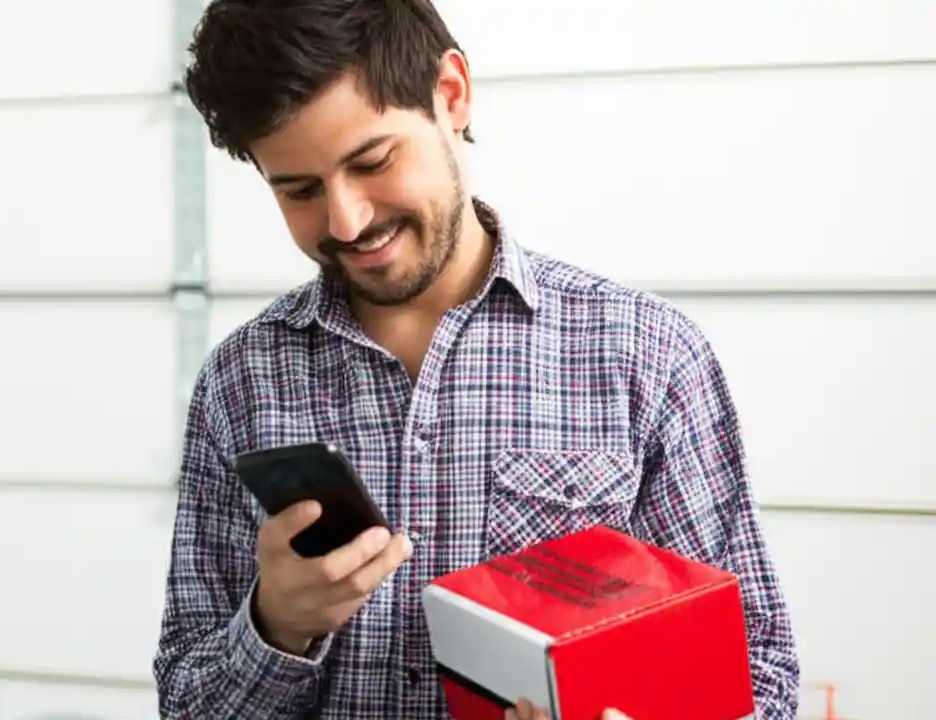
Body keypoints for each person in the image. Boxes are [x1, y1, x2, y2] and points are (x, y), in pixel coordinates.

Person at [153, 1, 800, 718]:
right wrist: (277, 627)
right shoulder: (240, 384)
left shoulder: (645, 356)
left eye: (372, 162)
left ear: (451, 95)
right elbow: (187, 705)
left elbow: (757, 679)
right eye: (298, 191)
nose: (346, 220)